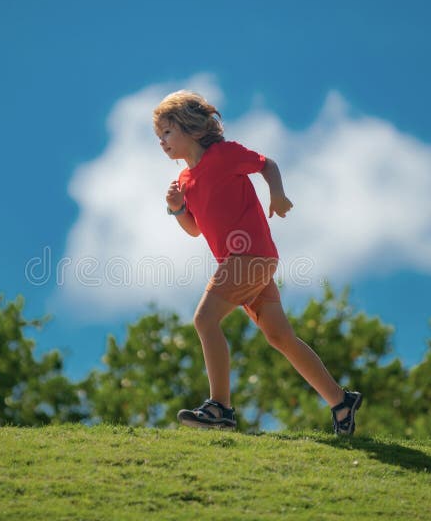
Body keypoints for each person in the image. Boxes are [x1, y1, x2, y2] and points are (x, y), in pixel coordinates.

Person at [153, 90, 362, 435]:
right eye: (158, 135)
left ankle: (220, 407)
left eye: (167, 132)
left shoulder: (224, 155)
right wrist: (177, 209)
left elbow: (267, 164)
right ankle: (341, 401)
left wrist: (276, 194)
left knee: (205, 320)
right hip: (249, 263)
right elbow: (193, 230)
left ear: (191, 128)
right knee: (280, 337)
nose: (162, 141)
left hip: (249, 257)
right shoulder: (185, 182)